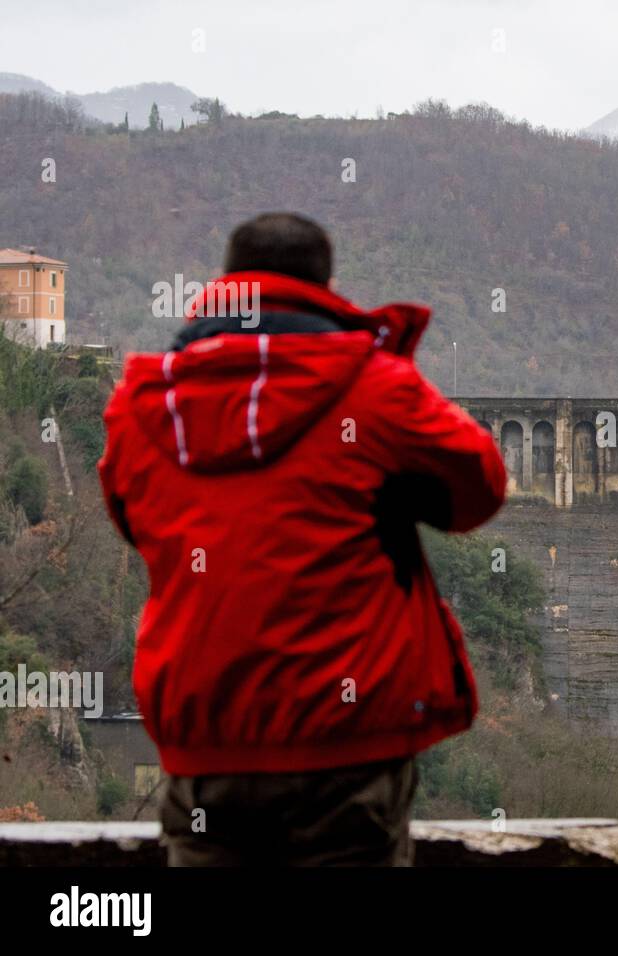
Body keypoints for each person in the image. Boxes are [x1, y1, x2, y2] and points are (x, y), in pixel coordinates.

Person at [98, 212, 506, 865]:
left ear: (225, 286)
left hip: (208, 749)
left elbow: (132, 521)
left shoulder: (144, 404)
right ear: (328, 283)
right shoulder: (375, 389)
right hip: (348, 754)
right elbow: (479, 489)